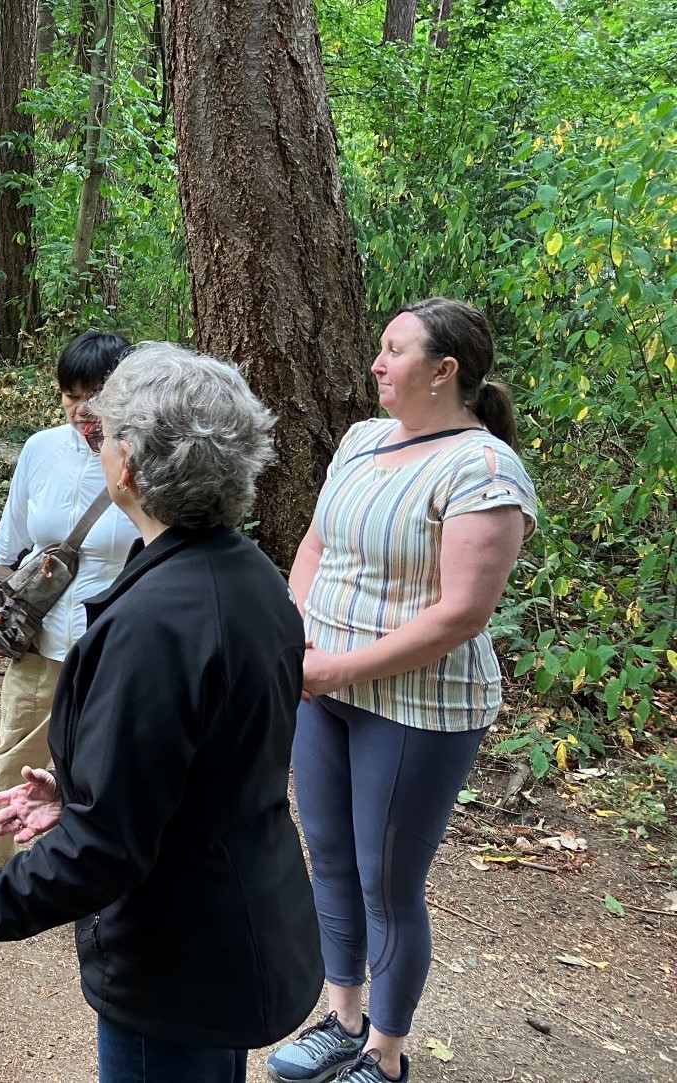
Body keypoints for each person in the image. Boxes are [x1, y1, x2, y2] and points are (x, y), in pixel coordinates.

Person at [0, 344, 323, 1083]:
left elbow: (106, 851)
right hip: (228, 930)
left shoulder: (157, 621)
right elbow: (200, 764)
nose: (97, 441)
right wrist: (79, 788)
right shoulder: (250, 576)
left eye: (107, 432)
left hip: (177, 958)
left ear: (129, 464)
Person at [266, 299, 537, 1083]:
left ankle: (383, 1056)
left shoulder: (483, 470)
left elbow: (461, 614)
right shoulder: (361, 439)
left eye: (394, 350)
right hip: (326, 687)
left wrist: (334, 668)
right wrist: (300, 631)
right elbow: (315, 542)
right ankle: (343, 1016)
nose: (377, 364)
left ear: (444, 370)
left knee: (388, 882)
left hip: (419, 705)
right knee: (330, 860)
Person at [0, 331, 138, 878]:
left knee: (112, 751)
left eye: (96, 393)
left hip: (118, 635)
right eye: (71, 394)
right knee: (21, 744)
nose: (83, 408)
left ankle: (100, 862)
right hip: (43, 632)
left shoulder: (149, 458)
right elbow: (11, 539)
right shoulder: (40, 450)